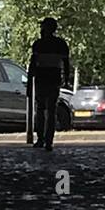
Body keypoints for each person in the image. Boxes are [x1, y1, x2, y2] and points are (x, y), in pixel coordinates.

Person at [27, 16, 71, 151]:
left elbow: (32, 64)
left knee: (41, 109)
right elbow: (66, 64)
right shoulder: (61, 44)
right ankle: (48, 140)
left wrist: (30, 82)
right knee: (51, 110)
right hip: (54, 79)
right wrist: (66, 79)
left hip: (41, 79)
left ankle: (40, 138)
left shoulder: (38, 44)